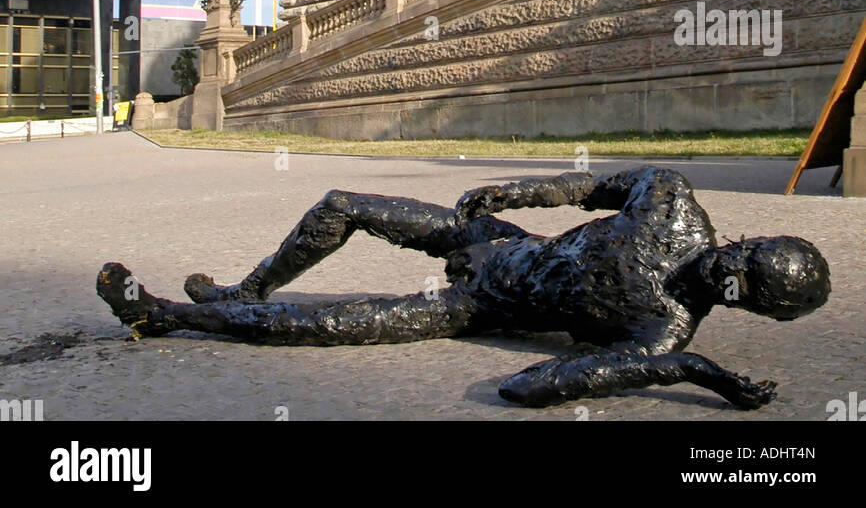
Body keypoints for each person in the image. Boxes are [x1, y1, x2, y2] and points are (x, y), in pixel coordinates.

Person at [96, 165, 830, 409]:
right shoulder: (670, 200)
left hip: (475, 304)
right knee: (339, 205)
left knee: (334, 325)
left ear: (752, 307)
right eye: (744, 255)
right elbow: (587, 186)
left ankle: (162, 317)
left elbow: (532, 387)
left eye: (740, 289)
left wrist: (690, 369)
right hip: (495, 242)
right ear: (750, 238)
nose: (722, 273)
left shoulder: (664, 332)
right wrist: (515, 191)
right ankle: (244, 289)